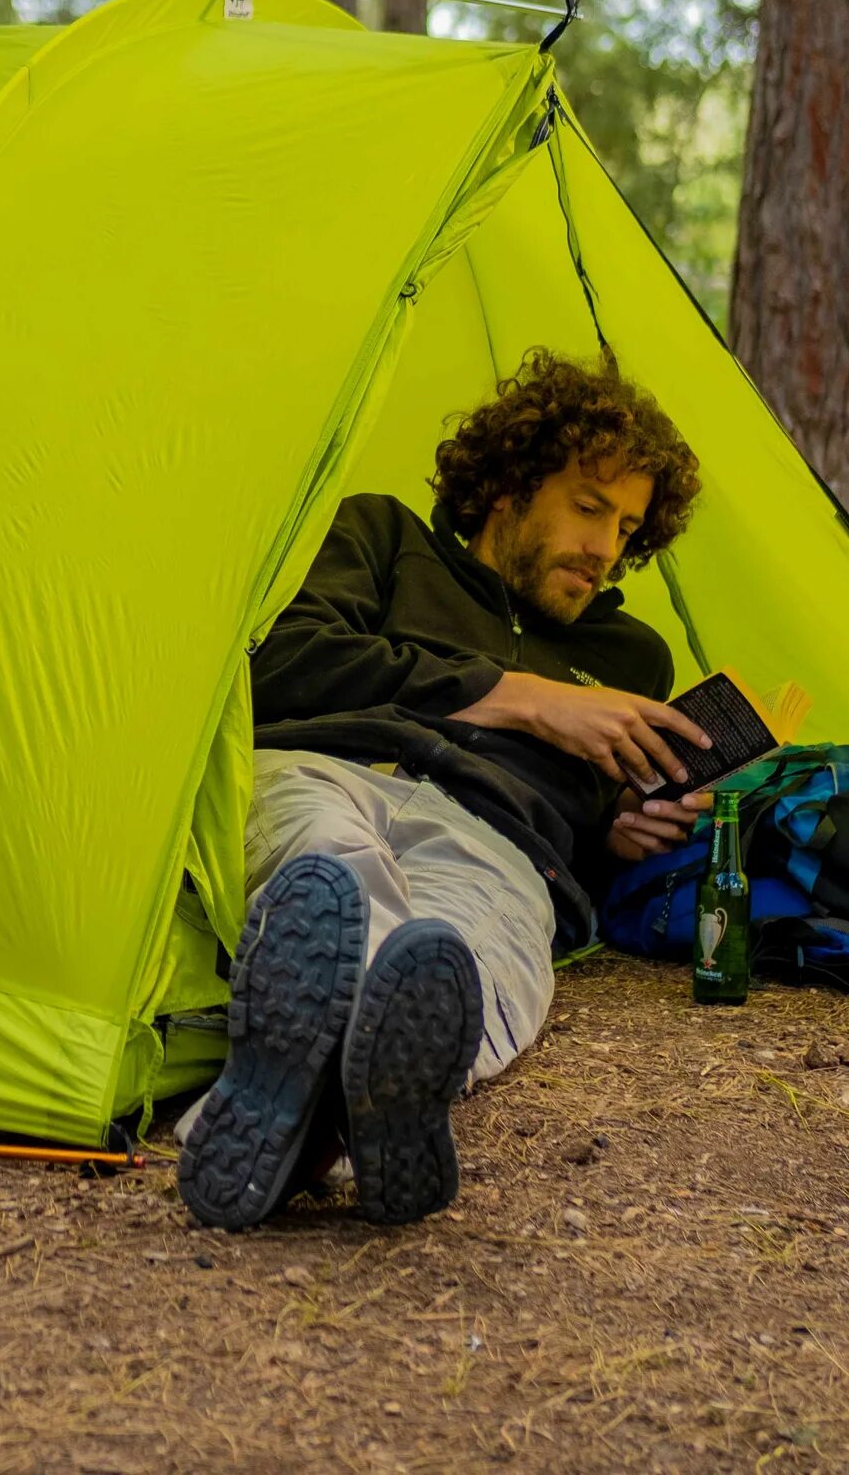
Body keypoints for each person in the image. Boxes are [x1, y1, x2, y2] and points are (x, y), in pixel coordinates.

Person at [178, 347, 706, 1230]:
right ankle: (344, 1116)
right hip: (333, 773)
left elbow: (583, 819)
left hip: (498, 843)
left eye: (626, 528)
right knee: (333, 876)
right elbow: (277, 664)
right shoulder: (382, 540)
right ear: (508, 487)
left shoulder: (630, 659)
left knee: (470, 961)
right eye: (588, 508)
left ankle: (294, 1110)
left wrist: (620, 830)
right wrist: (528, 701)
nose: (605, 550)